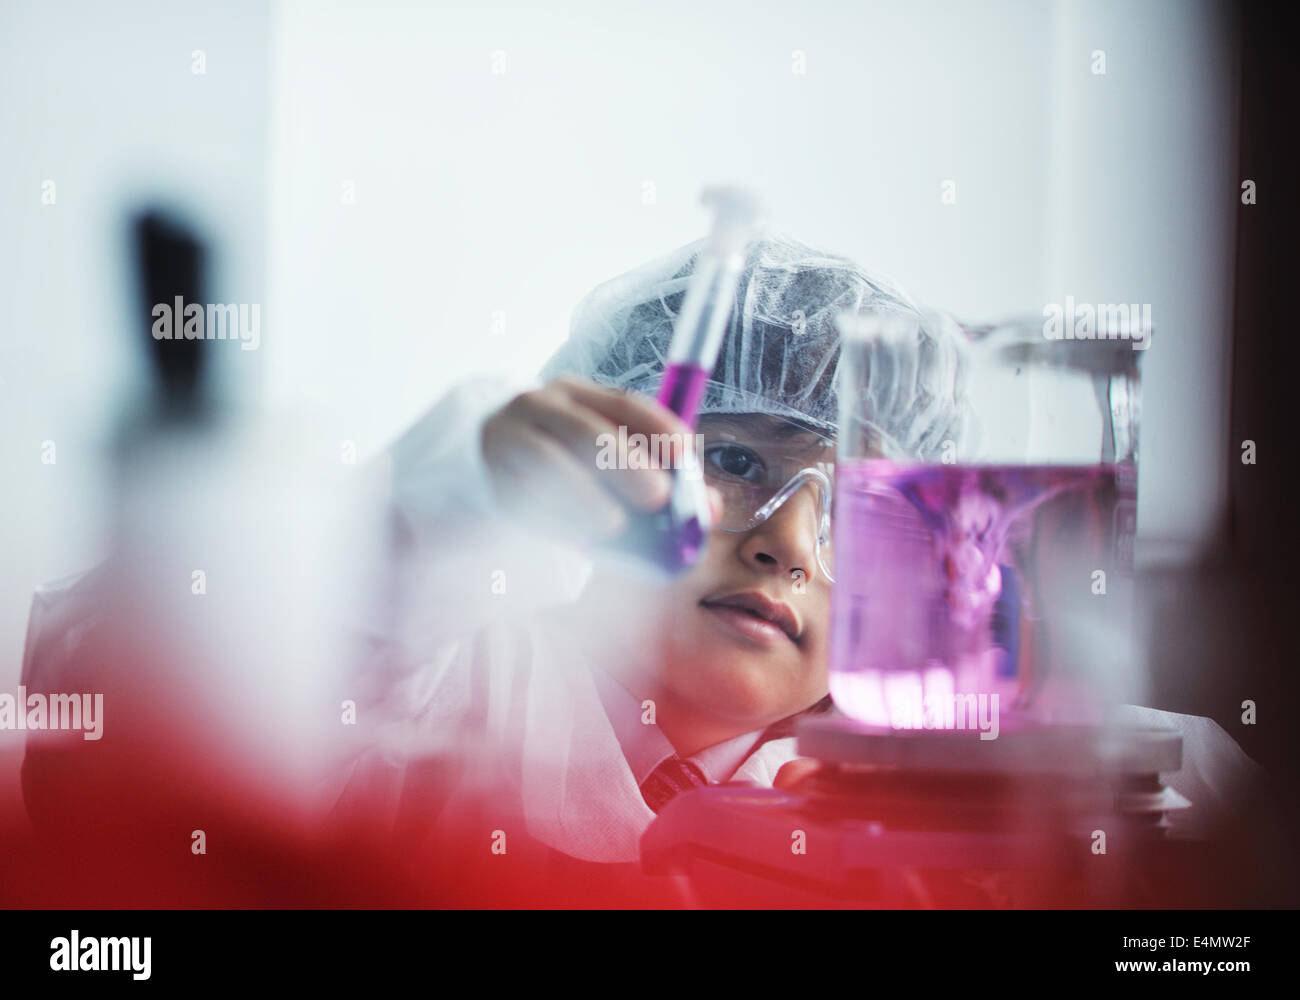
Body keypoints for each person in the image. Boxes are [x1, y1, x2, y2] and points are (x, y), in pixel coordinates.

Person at [328, 234, 1264, 880]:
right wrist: (469, 489)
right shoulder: (447, 698)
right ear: (612, 438)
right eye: (735, 461)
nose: (788, 544)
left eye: (857, 514)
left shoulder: (907, 789)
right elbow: (327, 652)